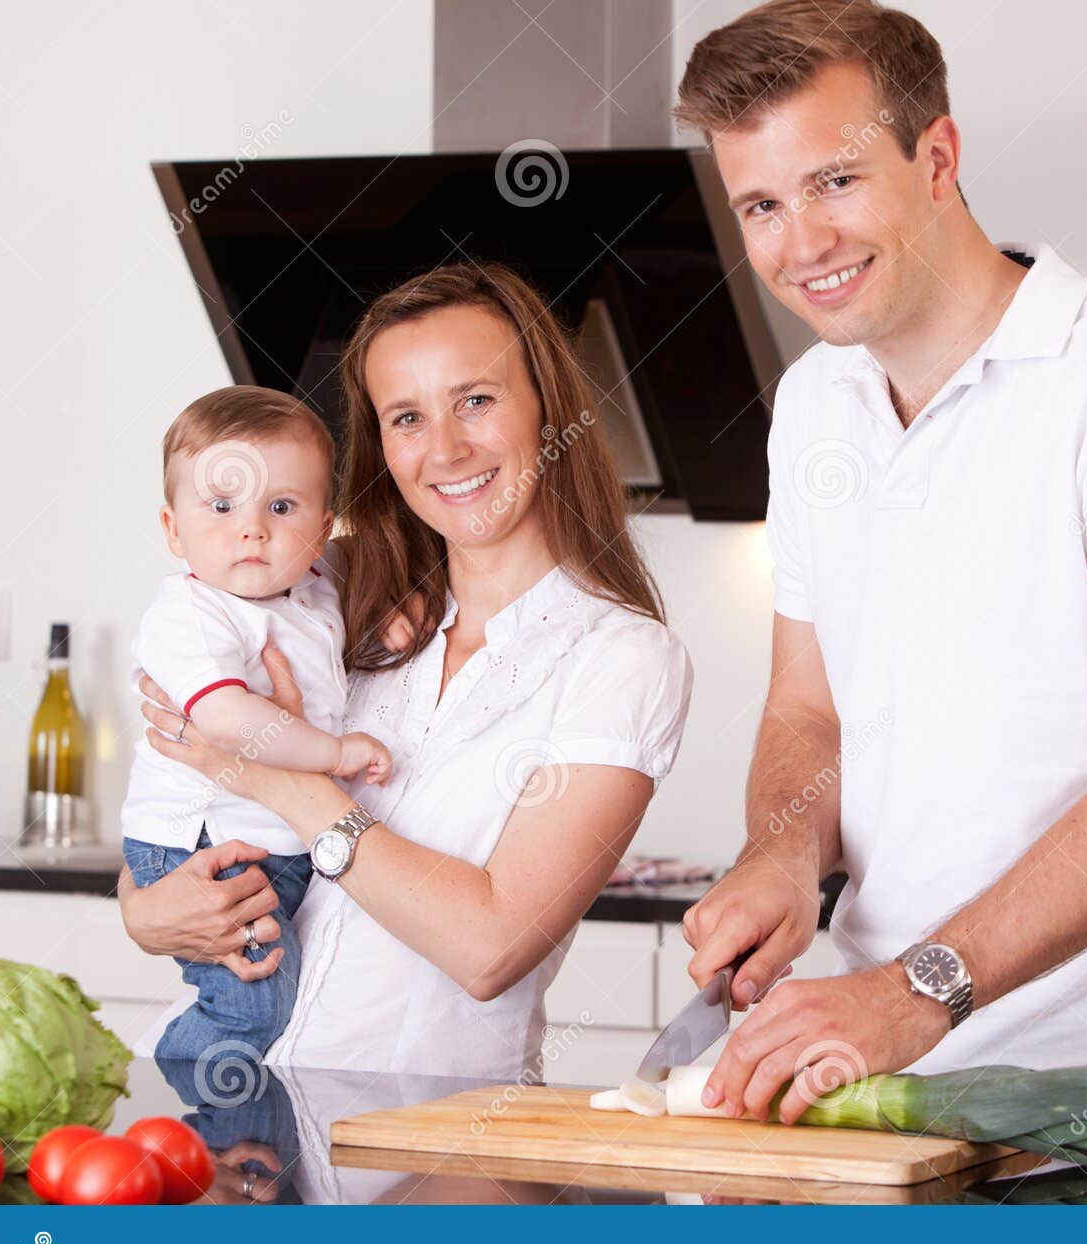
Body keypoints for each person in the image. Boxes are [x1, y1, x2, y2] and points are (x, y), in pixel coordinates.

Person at [674, 0, 1087, 1123]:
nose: (800, 245)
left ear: (935, 157)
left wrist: (916, 989)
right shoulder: (813, 403)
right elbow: (811, 712)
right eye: (760, 204)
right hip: (874, 1070)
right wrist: (781, 853)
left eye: (834, 183)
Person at [121, 262, 692, 1080]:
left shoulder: (622, 656)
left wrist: (284, 780)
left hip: (434, 1158)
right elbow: (176, 775)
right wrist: (145, 911)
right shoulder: (327, 585)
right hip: (235, 1113)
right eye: (407, 417)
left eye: (477, 400)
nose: (446, 447)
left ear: (550, 409)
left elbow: (490, 947)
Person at [121, 386, 393, 1062]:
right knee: (253, 1009)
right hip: (202, 847)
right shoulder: (193, 612)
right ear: (171, 529)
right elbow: (226, 719)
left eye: (281, 507)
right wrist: (331, 750)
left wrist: (396, 613)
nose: (252, 528)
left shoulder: (308, 584)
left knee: (269, 1001)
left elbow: (364, 579)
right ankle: (195, 1129)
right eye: (221, 505)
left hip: (267, 843)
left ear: (323, 527)